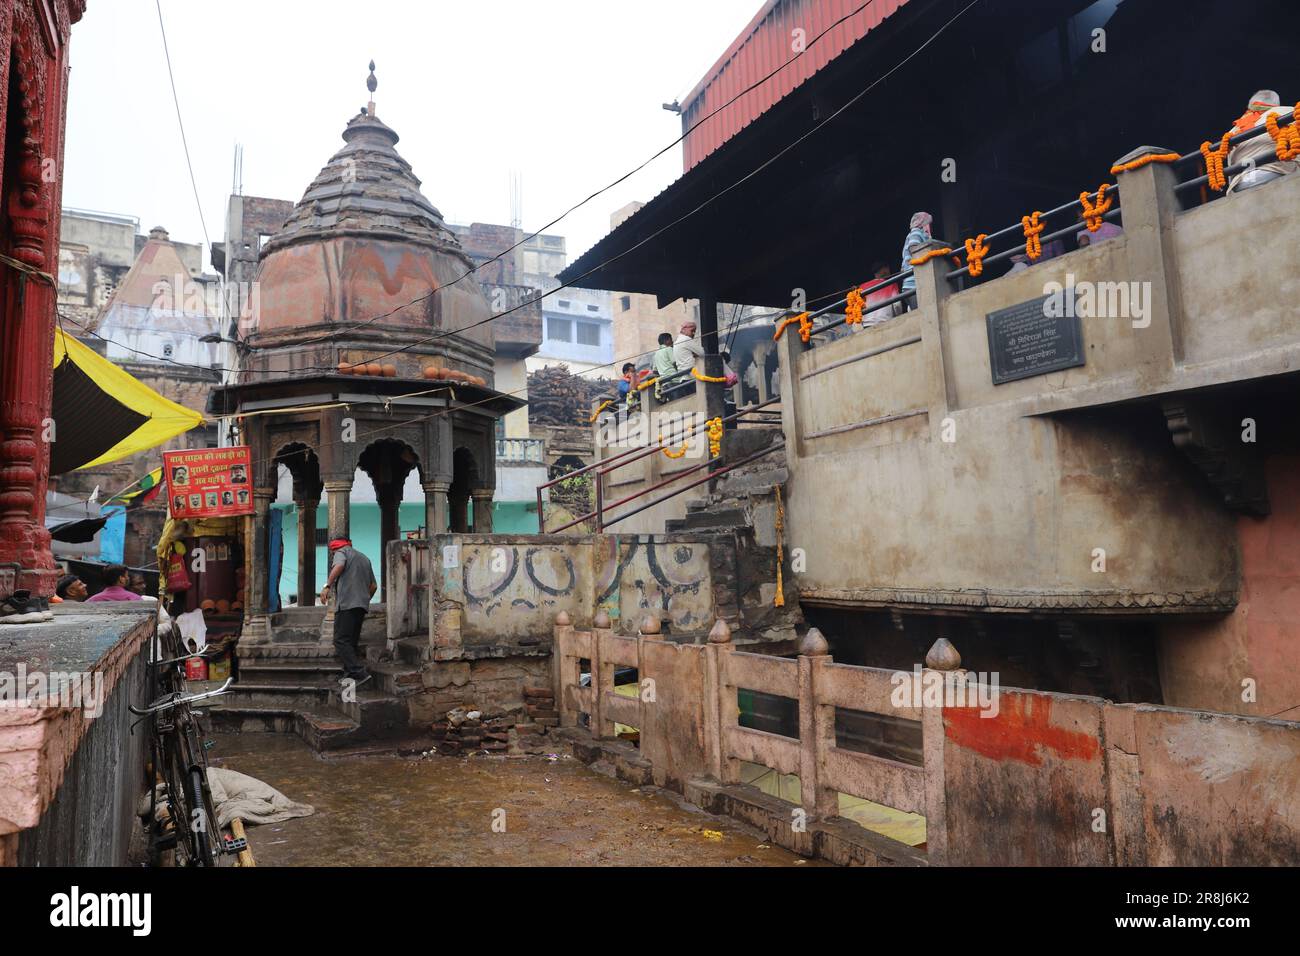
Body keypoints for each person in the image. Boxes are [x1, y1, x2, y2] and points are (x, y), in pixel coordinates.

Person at [320, 537, 377, 686]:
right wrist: (363, 599)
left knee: (340, 640)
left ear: (334, 549)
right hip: (361, 606)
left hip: (346, 605)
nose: (333, 556)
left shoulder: (341, 552)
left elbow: (339, 566)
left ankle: (359, 673)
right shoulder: (364, 558)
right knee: (351, 642)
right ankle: (349, 674)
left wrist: (327, 585)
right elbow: (373, 586)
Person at [1226, 90, 1297, 193]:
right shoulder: (1287, 112)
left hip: (1239, 185)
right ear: (1276, 104)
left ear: (1249, 106)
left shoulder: (1232, 131)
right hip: (1276, 172)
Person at [900, 212, 936, 308]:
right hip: (913, 284)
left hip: (910, 285)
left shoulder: (914, 234)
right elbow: (914, 248)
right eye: (929, 223)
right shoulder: (916, 232)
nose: (931, 226)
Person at [861, 261, 900, 326]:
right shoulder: (891, 283)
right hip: (885, 321)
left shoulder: (862, 287)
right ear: (885, 269)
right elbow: (897, 305)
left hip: (867, 325)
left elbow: (858, 309)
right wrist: (899, 318)